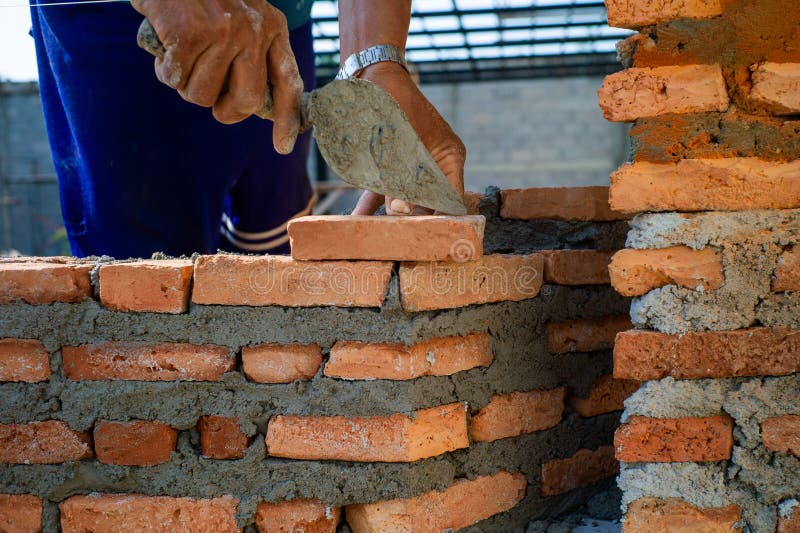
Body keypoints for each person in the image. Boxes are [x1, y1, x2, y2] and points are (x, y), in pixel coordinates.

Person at [30, 0, 466, 258]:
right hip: (120, 22)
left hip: (278, 19)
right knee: (148, 283)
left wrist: (374, 61)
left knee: (273, 245)